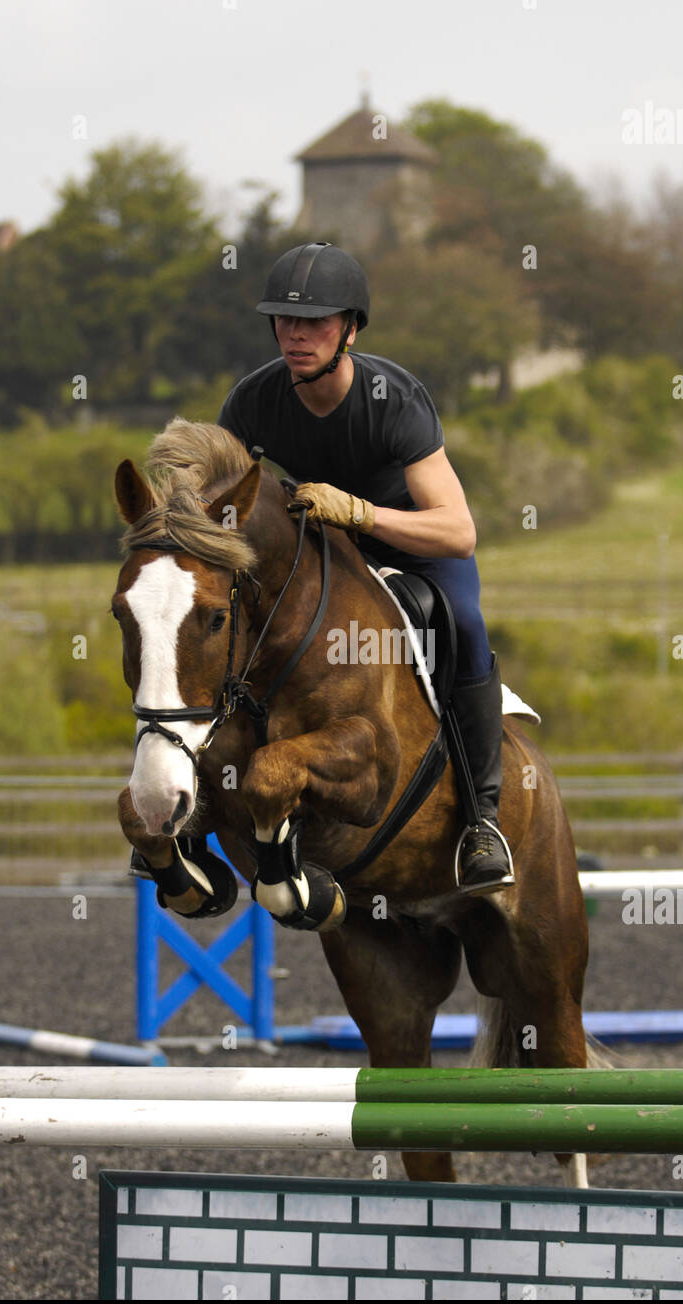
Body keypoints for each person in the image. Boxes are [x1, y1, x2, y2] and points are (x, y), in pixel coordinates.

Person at [217, 241, 513, 895]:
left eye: (316, 321)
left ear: (350, 328)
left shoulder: (392, 398)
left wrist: (358, 512)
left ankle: (482, 822)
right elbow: (223, 505)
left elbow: (458, 531)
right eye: (284, 321)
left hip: (413, 549)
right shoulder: (252, 403)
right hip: (318, 558)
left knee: (462, 621)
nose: (296, 335)